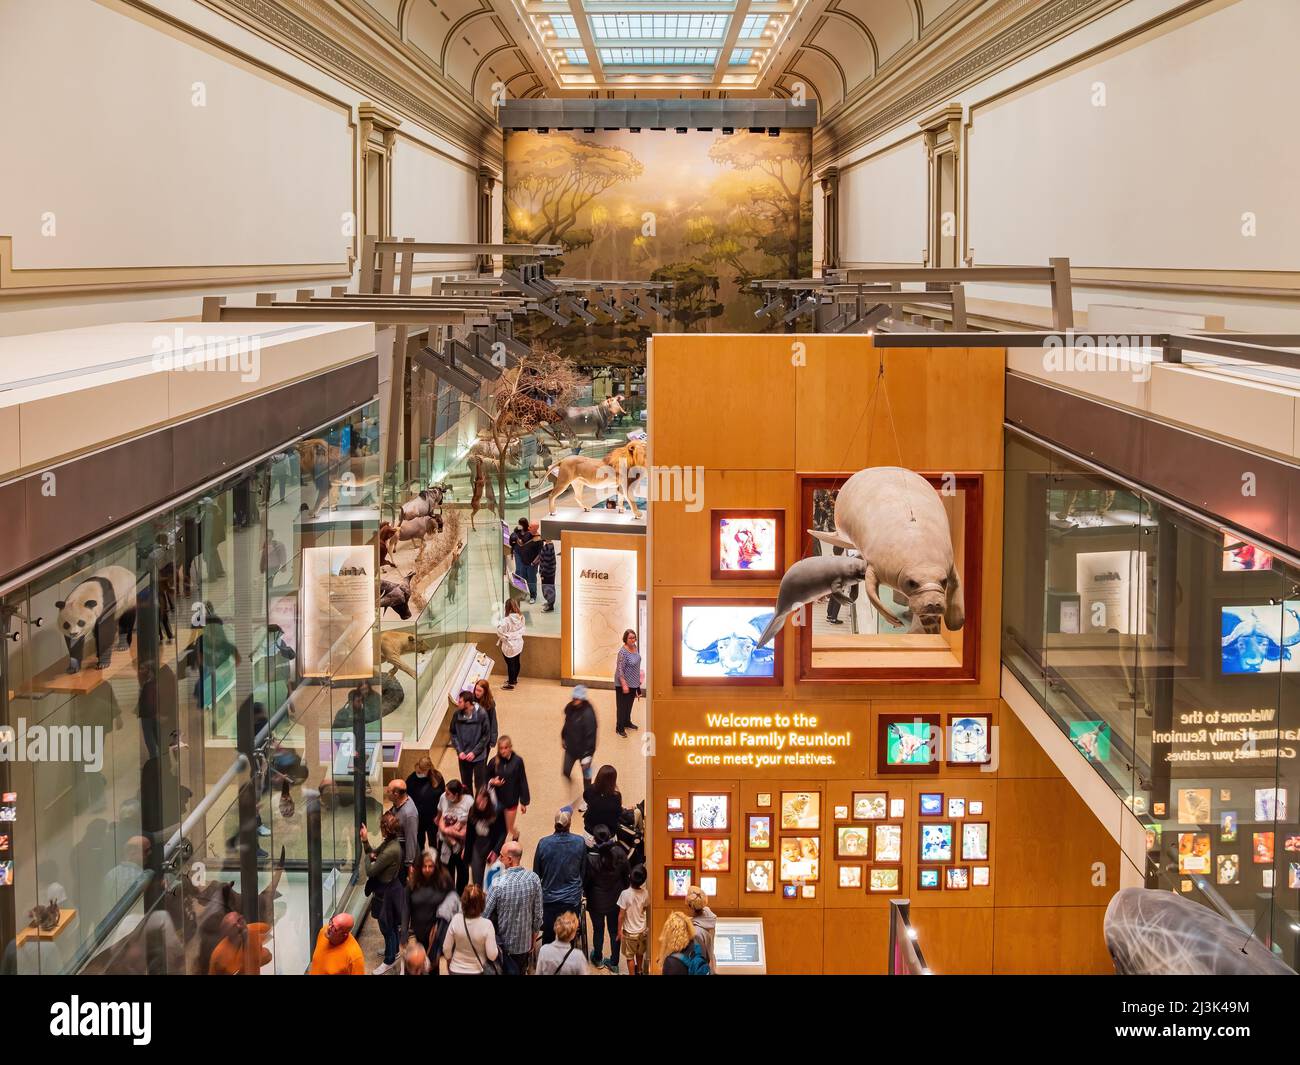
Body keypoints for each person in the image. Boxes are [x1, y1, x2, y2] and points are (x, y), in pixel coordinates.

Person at [484, 840, 543, 975]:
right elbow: (538, 914)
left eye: (501, 856)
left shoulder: (497, 883)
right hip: (524, 945)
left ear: (509, 859)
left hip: (502, 947)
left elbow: (485, 915)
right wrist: (533, 938)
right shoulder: (534, 879)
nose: (499, 858)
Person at [533, 807, 586, 944]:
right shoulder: (580, 842)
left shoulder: (543, 843)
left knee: (549, 936)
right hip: (571, 900)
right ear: (569, 825)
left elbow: (536, 874)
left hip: (549, 901)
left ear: (555, 823)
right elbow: (583, 871)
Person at [359, 811, 404, 974]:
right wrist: (365, 841)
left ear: (386, 829)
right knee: (389, 925)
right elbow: (374, 853)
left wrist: (366, 857)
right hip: (387, 889)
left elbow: (371, 870)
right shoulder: (389, 843)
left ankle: (390, 960)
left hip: (386, 892)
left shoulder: (391, 849)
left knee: (387, 927)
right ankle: (392, 950)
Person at [583, 824, 630, 973]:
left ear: (594, 840)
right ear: (610, 837)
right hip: (616, 900)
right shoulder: (620, 853)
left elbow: (585, 881)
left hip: (596, 902)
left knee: (598, 930)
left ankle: (597, 957)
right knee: (614, 930)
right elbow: (626, 876)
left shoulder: (590, 859)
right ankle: (614, 962)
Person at [407, 850, 455, 968]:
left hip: (435, 933)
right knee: (420, 964)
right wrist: (404, 931)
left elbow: (453, 903)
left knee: (433, 964)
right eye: (424, 866)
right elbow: (406, 907)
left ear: (436, 867)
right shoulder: (413, 883)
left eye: (431, 866)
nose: (427, 869)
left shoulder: (444, 882)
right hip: (418, 930)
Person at [442, 884, 499, 975]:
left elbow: (446, 949)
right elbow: (492, 956)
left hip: (456, 969)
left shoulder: (456, 919)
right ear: (482, 903)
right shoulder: (487, 925)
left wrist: (449, 960)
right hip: (478, 970)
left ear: (463, 903)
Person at [486, 735, 530, 839]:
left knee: (509, 827)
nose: (503, 751)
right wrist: (493, 781)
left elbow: (522, 780)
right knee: (496, 826)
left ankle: (515, 835)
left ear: (510, 747)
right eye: (501, 748)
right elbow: (486, 777)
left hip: (511, 800)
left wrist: (524, 802)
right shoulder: (493, 762)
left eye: (506, 748)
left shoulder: (518, 762)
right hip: (496, 800)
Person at [436, 778, 474, 893]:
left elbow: (470, 827)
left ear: (456, 795)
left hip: (461, 844)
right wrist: (442, 827)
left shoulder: (469, 802)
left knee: (462, 872)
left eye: (448, 793)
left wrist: (449, 831)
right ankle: (449, 896)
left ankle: (460, 896)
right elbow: (440, 814)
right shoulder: (443, 797)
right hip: (445, 843)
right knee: (446, 871)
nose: (445, 795)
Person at [449, 690, 490, 793]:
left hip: (478, 757)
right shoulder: (457, 715)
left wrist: (474, 752)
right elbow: (453, 733)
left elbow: (486, 736)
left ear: (467, 703)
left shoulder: (482, 714)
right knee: (466, 784)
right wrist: (460, 751)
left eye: (460, 701)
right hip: (463, 757)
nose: (458, 703)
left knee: (479, 784)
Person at [466, 786, 507, 887]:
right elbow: (469, 833)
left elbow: (503, 832)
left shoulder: (497, 811)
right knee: (476, 880)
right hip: (478, 844)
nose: (480, 805)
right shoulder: (473, 810)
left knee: (493, 880)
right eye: (478, 802)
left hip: (492, 843)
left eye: (483, 802)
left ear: (488, 800)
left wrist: (496, 851)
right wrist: (467, 853)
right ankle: (479, 900)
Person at [561, 686, 598, 796]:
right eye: (574, 698)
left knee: (586, 778)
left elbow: (591, 735)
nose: (575, 700)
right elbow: (567, 724)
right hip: (571, 748)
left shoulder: (588, 714)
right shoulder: (570, 708)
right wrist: (563, 737)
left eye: (577, 698)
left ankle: (587, 797)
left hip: (585, 752)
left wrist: (588, 755)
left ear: (583, 699)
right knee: (565, 771)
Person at [406, 756, 445, 854]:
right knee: (419, 843)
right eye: (418, 771)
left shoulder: (437, 777)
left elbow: (443, 798)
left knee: (434, 844)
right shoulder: (412, 778)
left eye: (421, 772)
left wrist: (440, 815)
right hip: (418, 818)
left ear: (428, 769)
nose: (418, 773)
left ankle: (435, 863)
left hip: (433, 818)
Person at [582, 763, 631, 840]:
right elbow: (618, 812)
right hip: (609, 836)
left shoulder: (589, 790)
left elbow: (586, 799)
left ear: (598, 777)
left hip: (589, 834)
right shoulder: (616, 797)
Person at [618, 864, 650, 976]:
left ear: (630, 877)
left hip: (629, 932)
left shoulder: (625, 894)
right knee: (640, 953)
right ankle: (640, 971)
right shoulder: (645, 893)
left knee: (629, 957)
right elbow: (645, 907)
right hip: (641, 930)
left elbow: (621, 915)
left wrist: (619, 931)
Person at [387, 778, 420, 879]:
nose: (386, 792)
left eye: (388, 791)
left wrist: (409, 864)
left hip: (405, 851)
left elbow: (411, 838)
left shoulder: (409, 814)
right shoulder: (401, 801)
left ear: (396, 794)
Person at [658, 911, 708, 975]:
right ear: (688, 926)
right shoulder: (699, 942)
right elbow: (707, 961)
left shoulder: (671, 962)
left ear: (668, 934)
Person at [614, 629, 642, 737]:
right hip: (622, 683)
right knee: (622, 706)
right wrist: (624, 684)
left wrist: (638, 684)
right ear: (625, 639)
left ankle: (627, 722)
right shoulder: (622, 652)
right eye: (630, 638)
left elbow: (636, 666)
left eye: (634, 637)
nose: (632, 640)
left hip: (634, 682)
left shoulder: (635, 648)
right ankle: (619, 728)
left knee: (629, 705)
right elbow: (620, 669)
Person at [684, 884, 717, 972]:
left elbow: (696, 957)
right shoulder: (709, 917)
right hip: (711, 966)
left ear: (690, 906)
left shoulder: (696, 931)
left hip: (700, 969)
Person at [496, 599, 525, 689]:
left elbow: (500, 632)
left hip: (509, 645)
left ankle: (511, 683)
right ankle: (514, 679)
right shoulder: (521, 617)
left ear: (507, 607)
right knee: (516, 661)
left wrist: (506, 637)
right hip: (519, 643)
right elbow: (523, 629)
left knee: (510, 663)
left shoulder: (506, 620)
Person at [519, 520, 545, 603]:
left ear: (535, 528)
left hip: (531, 565)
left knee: (532, 580)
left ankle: (533, 595)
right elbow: (521, 543)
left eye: (530, 527)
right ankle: (524, 593)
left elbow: (540, 553)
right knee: (523, 578)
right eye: (529, 526)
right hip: (523, 562)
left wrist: (534, 562)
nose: (528, 528)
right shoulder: (527, 534)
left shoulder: (539, 539)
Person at [473, 678, 499, 748]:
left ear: (485, 692)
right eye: (476, 690)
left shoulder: (490, 704)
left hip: (485, 739)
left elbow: (493, 722)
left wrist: (492, 741)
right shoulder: (472, 700)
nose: (477, 693)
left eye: (479, 691)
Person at [538, 535, 557, 612]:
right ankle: (549, 602)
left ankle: (550, 606)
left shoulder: (548, 548)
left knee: (548, 589)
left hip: (547, 573)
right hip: (549, 572)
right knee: (548, 588)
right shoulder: (549, 546)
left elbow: (546, 562)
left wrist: (542, 573)